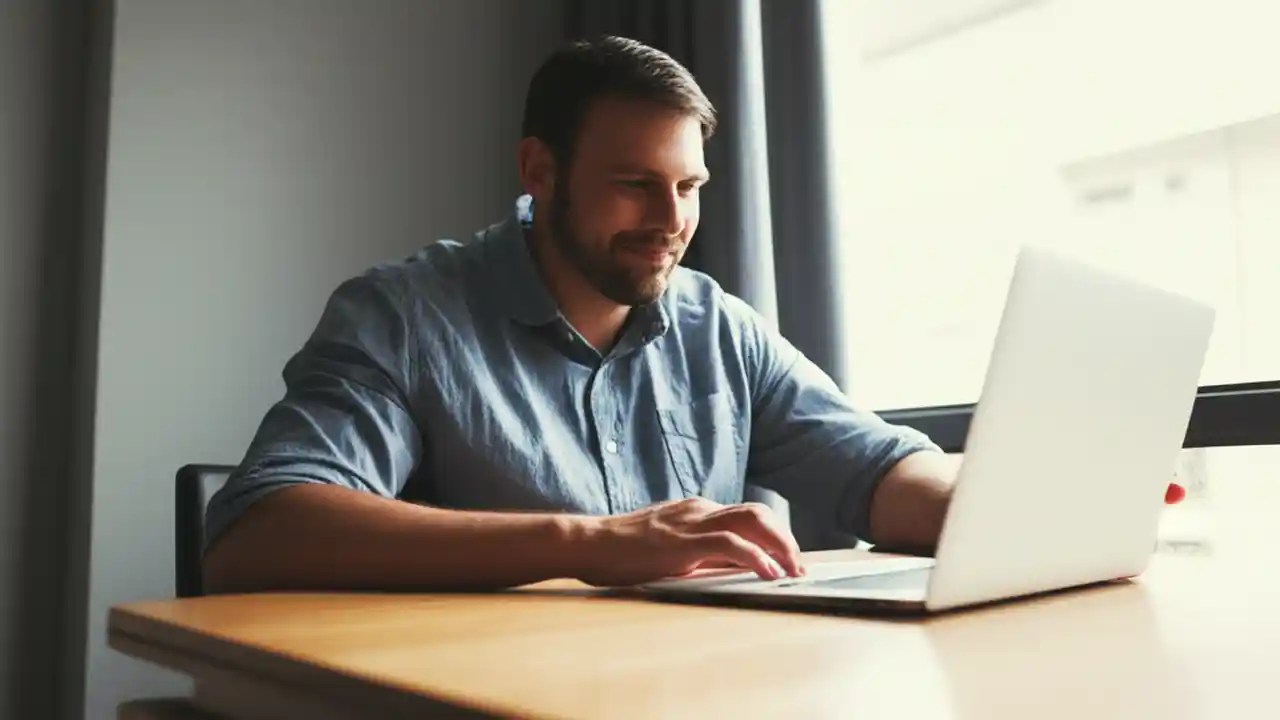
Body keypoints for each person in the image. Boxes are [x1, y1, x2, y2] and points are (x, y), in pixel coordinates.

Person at [203, 36, 1183, 594]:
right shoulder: (405, 316)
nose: (671, 223)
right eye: (634, 185)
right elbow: (258, 532)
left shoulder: (717, 326)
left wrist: (1035, 497)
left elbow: (879, 472)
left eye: (690, 186)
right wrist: (592, 542)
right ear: (538, 171)